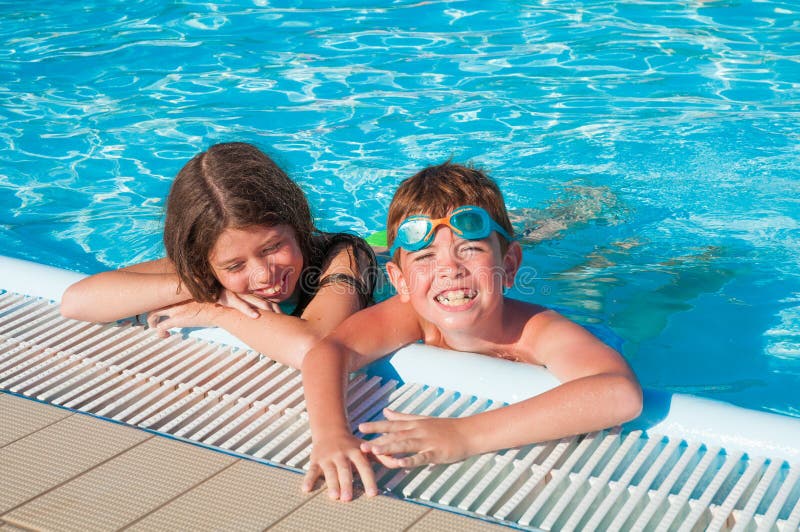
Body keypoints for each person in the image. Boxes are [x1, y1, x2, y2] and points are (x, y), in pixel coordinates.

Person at [300, 161, 642, 501]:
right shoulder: (414, 315)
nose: (450, 269)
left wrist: (463, 436)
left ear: (509, 266)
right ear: (400, 281)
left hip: (602, 326)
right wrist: (331, 435)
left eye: (470, 249)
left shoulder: (537, 331)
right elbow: (329, 350)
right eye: (425, 257)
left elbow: (621, 392)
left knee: (632, 307)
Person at [61, 142, 376, 369]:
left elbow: (314, 348)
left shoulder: (343, 255)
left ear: (297, 225)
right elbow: (75, 302)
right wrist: (206, 289)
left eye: (271, 248)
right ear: (203, 262)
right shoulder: (210, 265)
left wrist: (213, 310)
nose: (263, 274)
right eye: (235, 266)